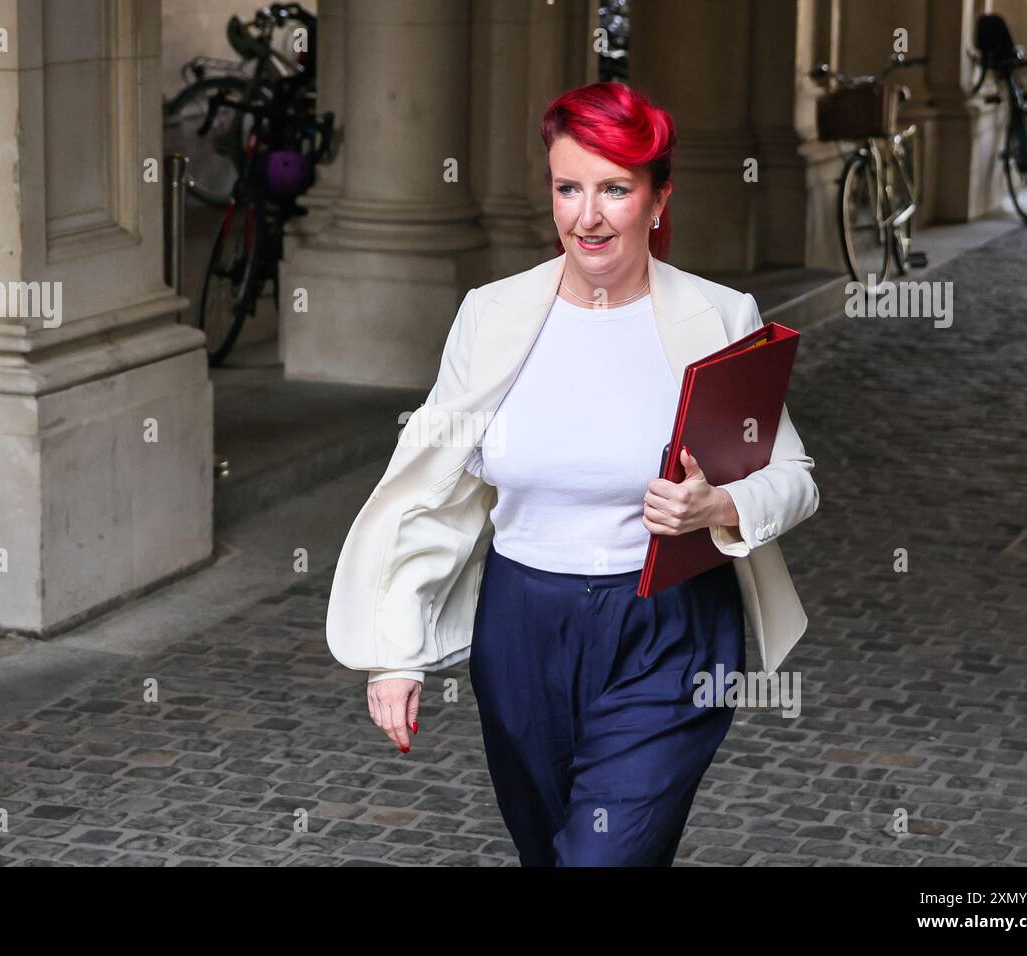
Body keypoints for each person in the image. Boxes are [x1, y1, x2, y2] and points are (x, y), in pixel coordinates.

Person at [326, 81, 820, 866]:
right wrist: (394, 650)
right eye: (569, 188)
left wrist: (718, 501)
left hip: (672, 628)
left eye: (615, 189)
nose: (587, 216)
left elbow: (795, 474)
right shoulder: (492, 315)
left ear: (658, 200)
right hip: (522, 628)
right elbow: (433, 490)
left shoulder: (719, 317)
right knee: (552, 850)